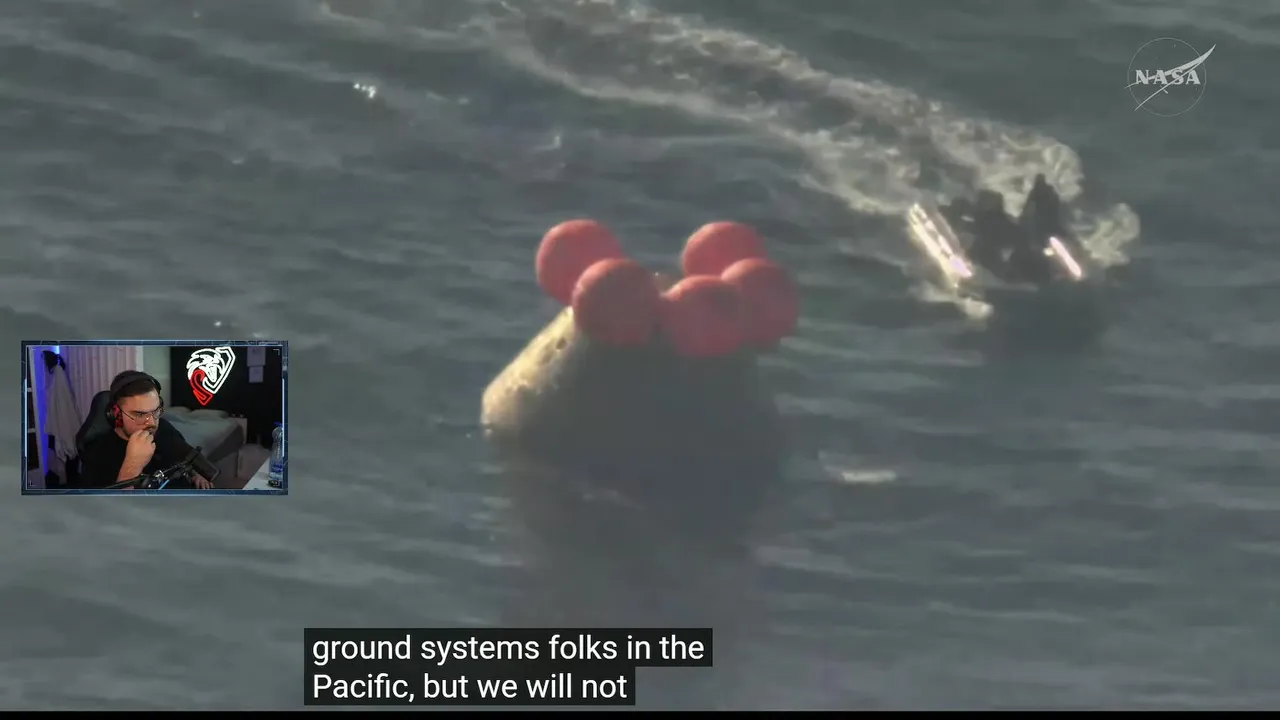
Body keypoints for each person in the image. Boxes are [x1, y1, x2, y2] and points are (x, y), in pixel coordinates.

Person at [80, 371, 216, 490]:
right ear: (117, 414)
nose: (151, 423)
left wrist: (195, 474)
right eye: (140, 414)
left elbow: (184, 458)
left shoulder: (164, 428)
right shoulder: (97, 453)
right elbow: (108, 509)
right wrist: (132, 466)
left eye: (155, 411)